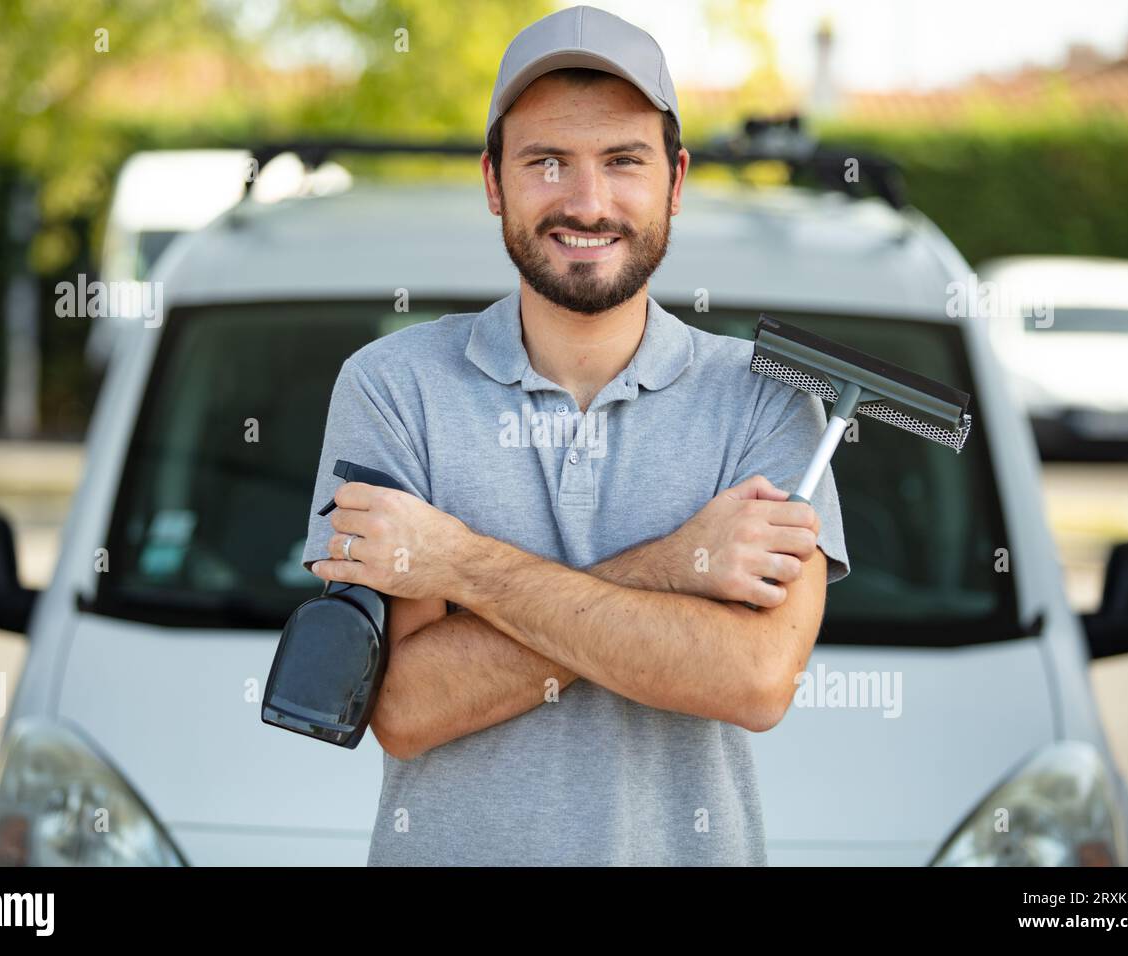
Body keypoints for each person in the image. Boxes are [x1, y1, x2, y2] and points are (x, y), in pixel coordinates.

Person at [301, 4, 849, 866]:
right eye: (547, 161)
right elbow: (405, 708)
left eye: (624, 161)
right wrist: (676, 568)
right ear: (494, 181)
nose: (587, 202)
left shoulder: (766, 402)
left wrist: (463, 565)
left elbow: (751, 679)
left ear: (674, 181)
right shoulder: (394, 388)